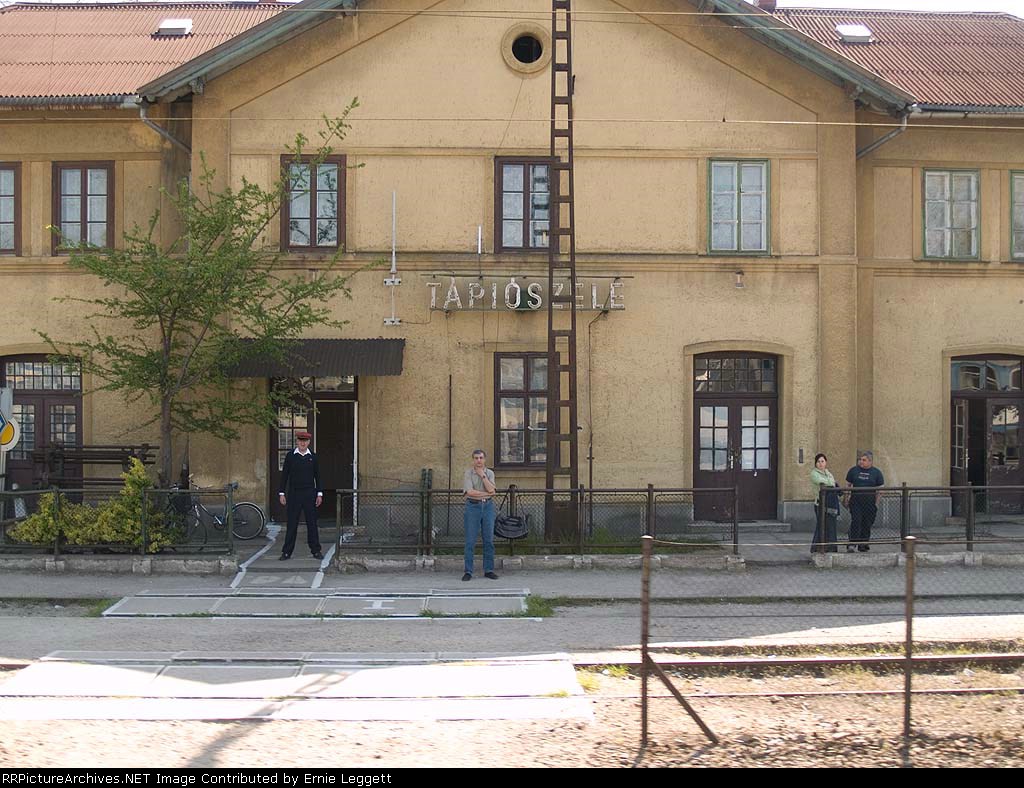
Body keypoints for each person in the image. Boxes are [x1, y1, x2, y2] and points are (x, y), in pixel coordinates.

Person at [278, 430, 323, 561]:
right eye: (300, 440)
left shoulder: (313, 457)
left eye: (305, 441)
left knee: (312, 524)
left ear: (308, 442)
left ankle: (316, 550)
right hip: (294, 494)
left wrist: (319, 494)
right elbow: (284, 475)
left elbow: (318, 477)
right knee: (292, 524)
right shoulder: (290, 456)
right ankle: (287, 552)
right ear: (297, 441)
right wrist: (281, 493)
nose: (303, 443)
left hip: (310, 493)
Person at [462, 448, 498, 581]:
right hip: (473, 507)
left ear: (484, 459)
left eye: (481, 458)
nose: (478, 460)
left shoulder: (489, 473)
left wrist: (482, 475)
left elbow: (491, 489)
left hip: (488, 507)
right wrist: (488, 493)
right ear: (473, 460)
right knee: (470, 541)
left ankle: (488, 570)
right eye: (476, 458)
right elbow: (470, 492)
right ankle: (468, 571)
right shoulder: (468, 473)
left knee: (488, 540)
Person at [845, 450, 885, 552]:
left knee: (867, 523)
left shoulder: (876, 472)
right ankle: (852, 543)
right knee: (856, 521)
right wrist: (847, 498)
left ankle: (863, 543)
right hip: (856, 502)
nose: (861, 462)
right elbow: (848, 485)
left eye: (864, 460)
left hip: (870, 503)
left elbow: (881, 489)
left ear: (870, 461)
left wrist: (876, 503)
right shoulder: (853, 470)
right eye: (860, 459)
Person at [810, 453, 840, 553]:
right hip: (820, 504)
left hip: (830, 504)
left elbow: (832, 482)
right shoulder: (814, 473)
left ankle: (830, 548)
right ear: (815, 463)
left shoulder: (828, 473)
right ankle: (816, 548)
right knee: (821, 526)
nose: (820, 463)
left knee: (830, 526)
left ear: (826, 462)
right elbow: (823, 482)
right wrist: (831, 482)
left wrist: (831, 482)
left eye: (822, 461)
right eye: (818, 461)